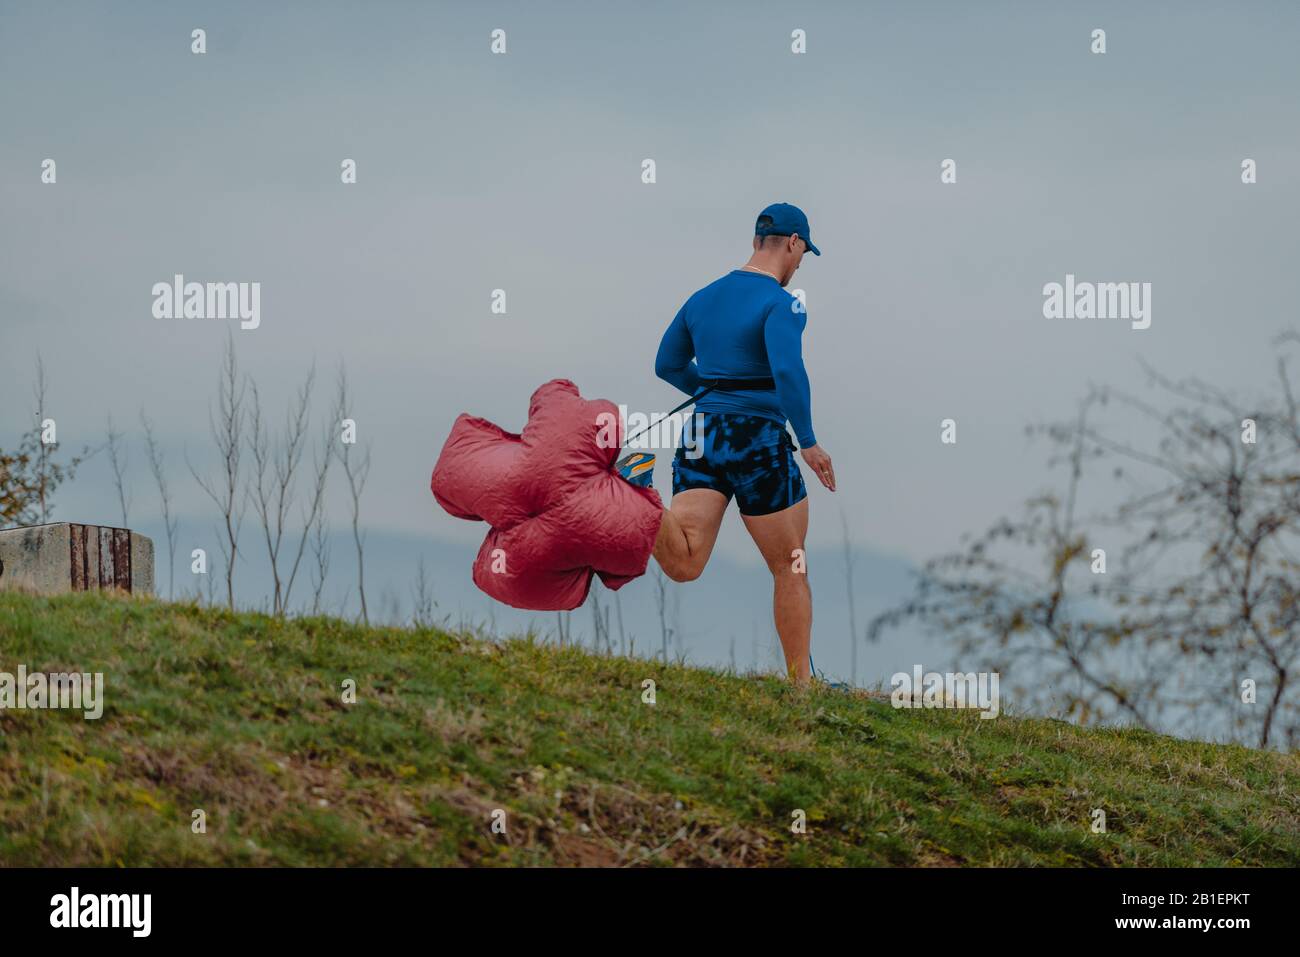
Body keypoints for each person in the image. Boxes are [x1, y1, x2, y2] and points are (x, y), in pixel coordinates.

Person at [617, 203, 835, 684]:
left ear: (758, 241)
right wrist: (810, 441)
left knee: (686, 561)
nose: (799, 265)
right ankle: (802, 688)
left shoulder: (702, 298)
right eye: (803, 254)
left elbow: (667, 364)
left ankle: (640, 497)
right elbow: (787, 371)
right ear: (794, 244)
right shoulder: (783, 303)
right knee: (789, 564)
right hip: (757, 439)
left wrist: (713, 391)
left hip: (702, 434)